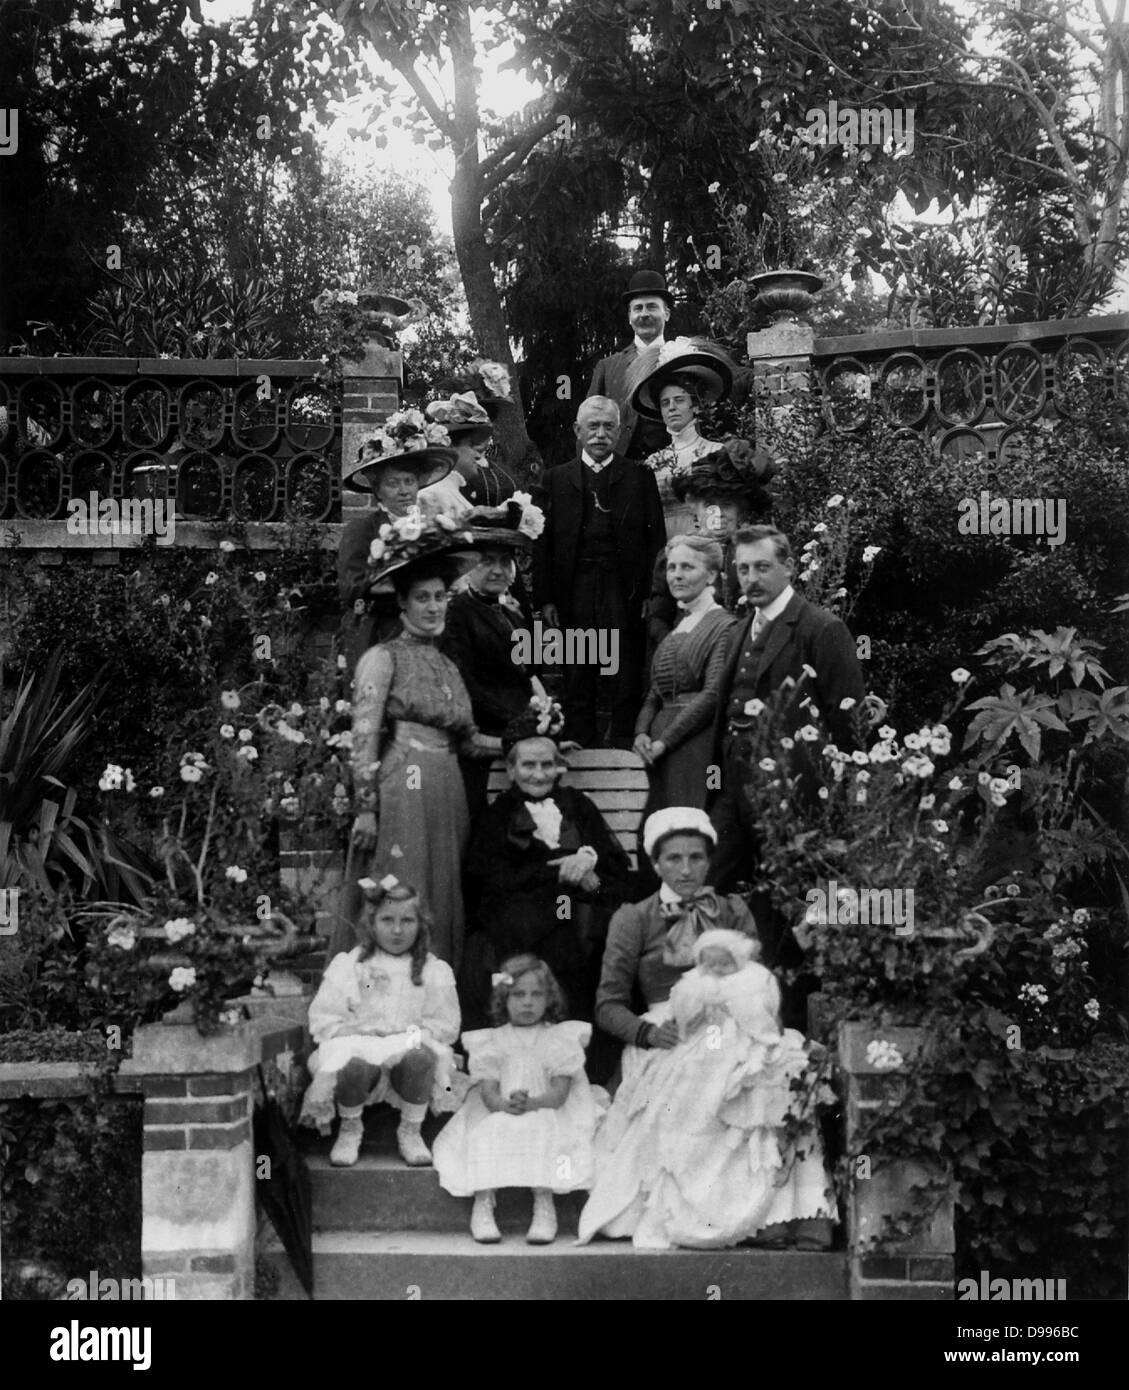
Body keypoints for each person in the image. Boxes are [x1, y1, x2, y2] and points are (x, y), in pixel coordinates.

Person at [578, 926, 837, 1249]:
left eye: (723, 965)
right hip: (701, 1049)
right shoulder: (688, 983)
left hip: (748, 1042)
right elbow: (672, 1018)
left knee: (774, 1089)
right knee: (688, 1096)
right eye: (708, 965)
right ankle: (713, 1208)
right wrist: (676, 1019)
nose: (715, 971)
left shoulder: (755, 981)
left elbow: (767, 1022)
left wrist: (738, 1008)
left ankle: (780, 1216)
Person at [708, 525, 867, 1020]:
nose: (750, 578)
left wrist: (834, 800)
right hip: (735, 790)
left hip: (798, 794)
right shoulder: (739, 629)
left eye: (761, 567)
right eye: (742, 569)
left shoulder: (820, 628)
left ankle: (795, 1025)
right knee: (718, 888)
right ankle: (736, 1011)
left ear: (788, 568)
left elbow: (849, 722)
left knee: (795, 905)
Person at [334, 520, 502, 973]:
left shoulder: (446, 663)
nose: (433, 607)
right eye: (422, 598)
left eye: (440, 597)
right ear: (403, 604)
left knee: (442, 893)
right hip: (403, 786)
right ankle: (381, 998)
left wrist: (525, 743)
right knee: (401, 886)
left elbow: (470, 742)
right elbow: (364, 737)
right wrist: (365, 808)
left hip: (448, 791)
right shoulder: (382, 657)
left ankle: (435, 1001)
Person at [461, 695, 632, 1066]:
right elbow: (485, 880)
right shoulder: (497, 817)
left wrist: (590, 872)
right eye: (528, 765)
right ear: (510, 769)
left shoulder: (578, 806)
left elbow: (615, 878)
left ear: (559, 767)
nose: (538, 774)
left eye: (546, 764)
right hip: (520, 915)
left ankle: (585, 1058)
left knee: (589, 927)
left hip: (578, 908)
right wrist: (555, 869)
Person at [432, 955, 605, 1245]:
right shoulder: (493, 1040)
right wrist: (504, 1105)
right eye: (518, 994)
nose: (528, 1002)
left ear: (549, 998)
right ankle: (484, 1202)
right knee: (486, 1132)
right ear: (504, 998)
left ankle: (544, 1203)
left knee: (545, 1130)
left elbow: (560, 1093)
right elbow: (488, 1091)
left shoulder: (559, 1038)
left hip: (546, 1108)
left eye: (537, 994)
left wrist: (533, 1103)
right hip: (502, 1108)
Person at [299, 876, 462, 1169]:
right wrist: (361, 1032)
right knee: (352, 1060)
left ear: (420, 924)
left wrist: (404, 1035)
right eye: (387, 920)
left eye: (407, 921)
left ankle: (410, 1131)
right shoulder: (352, 965)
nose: (397, 930)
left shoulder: (433, 970)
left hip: (407, 1044)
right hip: (360, 1043)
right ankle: (350, 1128)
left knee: (421, 1055)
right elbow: (324, 1019)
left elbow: (445, 1025)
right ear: (371, 923)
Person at [533, 395, 665, 748]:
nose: (601, 434)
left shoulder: (639, 476)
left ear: (620, 432)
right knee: (578, 669)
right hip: (575, 589)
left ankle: (623, 747)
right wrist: (546, 599)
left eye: (609, 426)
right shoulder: (555, 479)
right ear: (578, 430)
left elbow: (657, 542)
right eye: (593, 426)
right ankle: (580, 748)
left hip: (624, 591)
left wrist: (652, 594)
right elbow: (541, 544)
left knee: (624, 672)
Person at [594, 808, 758, 1088]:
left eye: (696, 858)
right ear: (656, 864)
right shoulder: (635, 918)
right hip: (667, 1034)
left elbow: (757, 983)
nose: (685, 870)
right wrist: (647, 1033)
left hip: (726, 1028)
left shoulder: (731, 910)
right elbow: (608, 1005)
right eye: (673, 858)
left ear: (708, 862)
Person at [337, 411, 458, 668]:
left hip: (430, 635)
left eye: (409, 481)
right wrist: (402, 587)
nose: (404, 491)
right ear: (378, 489)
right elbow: (351, 589)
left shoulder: (431, 527)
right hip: (379, 634)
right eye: (393, 483)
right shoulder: (363, 529)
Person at [441, 514, 539, 821]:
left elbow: (529, 673)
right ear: (470, 567)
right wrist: (517, 725)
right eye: (487, 561)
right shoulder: (456, 614)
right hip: (484, 738)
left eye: (504, 561)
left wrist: (543, 711)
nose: (497, 570)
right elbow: (466, 684)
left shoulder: (514, 615)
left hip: (520, 731)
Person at [634, 536, 737, 818]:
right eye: (671, 567)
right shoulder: (678, 627)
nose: (676, 575)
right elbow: (655, 694)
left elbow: (713, 694)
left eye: (687, 567)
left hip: (695, 744)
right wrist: (641, 732)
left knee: (689, 822)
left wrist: (665, 741)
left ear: (712, 575)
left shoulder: (724, 625)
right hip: (656, 750)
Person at [645, 439, 776, 654]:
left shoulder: (756, 553)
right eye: (709, 506)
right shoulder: (676, 553)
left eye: (726, 505)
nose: (719, 514)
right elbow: (658, 616)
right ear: (696, 509)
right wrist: (675, 647)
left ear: (741, 509)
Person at [626, 338, 738, 537]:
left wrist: (711, 543)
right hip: (665, 547)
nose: (671, 408)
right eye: (665, 403)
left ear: (694, 405)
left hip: (705, 544)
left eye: (679, 400)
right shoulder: (652, 463)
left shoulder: (716, 453)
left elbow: (721, 511)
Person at [587, 269, 676, 461]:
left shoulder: (682, 357)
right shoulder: (607, 367)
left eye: (652, 307)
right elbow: (589, 423)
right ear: (629, 317)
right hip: (619, 468)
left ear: (666, 314)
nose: (644, 314)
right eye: (638, 308)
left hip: (674, 465)